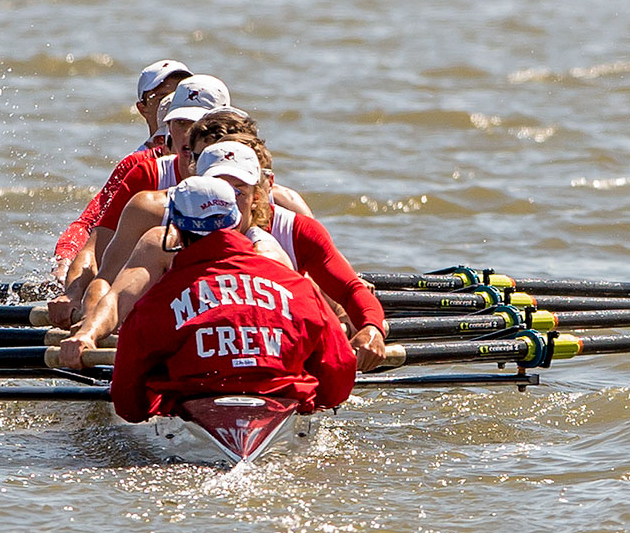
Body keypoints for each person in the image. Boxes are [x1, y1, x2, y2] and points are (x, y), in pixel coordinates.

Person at [60, 137, 388, 372]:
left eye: (239, 192)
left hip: (256, 358)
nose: (226, 200)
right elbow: (119, 297)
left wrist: (371, 328)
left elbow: (348, 290)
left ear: (259, 195)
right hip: (183, 358)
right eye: (218, 188)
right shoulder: (159, 241)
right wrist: (88, 334)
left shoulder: (287, 237)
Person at [107, 175, 356, 424]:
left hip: (193, 414)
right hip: (280, 408)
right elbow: (340, 369)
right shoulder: (297, 287)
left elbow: (128, 405)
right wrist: (315, 403)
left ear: (177, 228)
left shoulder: (158, 301)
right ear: (236, 221)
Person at [50, 74, 228, 323]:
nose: (188, 135)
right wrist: (76, 297)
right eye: (181, 123)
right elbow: (98, 255)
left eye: (198, 125)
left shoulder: (245, 180)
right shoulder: (144, 172)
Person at [51, 60, 192, 280]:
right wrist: (65, 262)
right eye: (160, 97)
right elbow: (88, 224)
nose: (172, 102)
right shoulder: (137, 167)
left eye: (180, 93)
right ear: (142, 108)